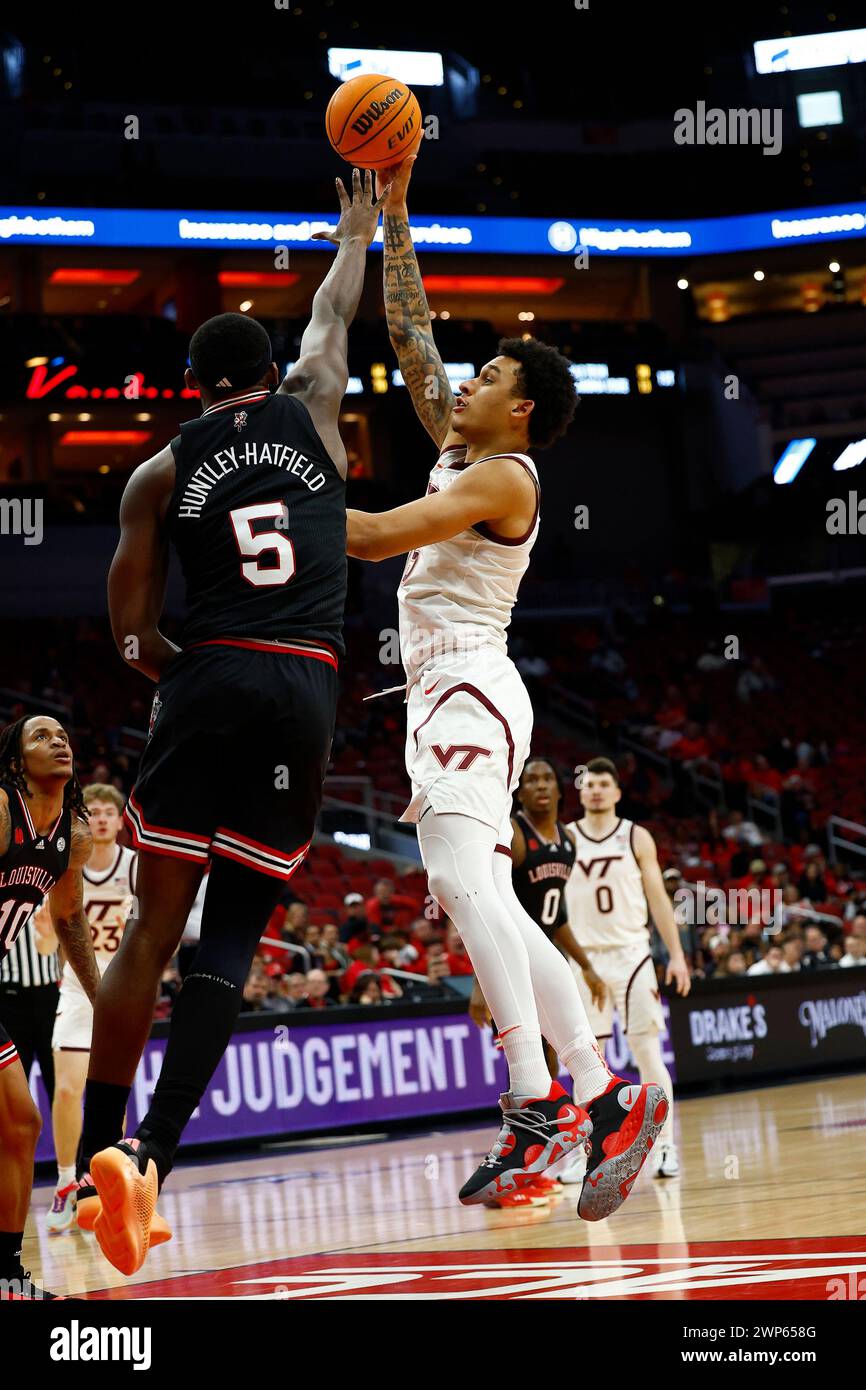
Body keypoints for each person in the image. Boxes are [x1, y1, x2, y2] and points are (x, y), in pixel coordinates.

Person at [74, 170, 389, 1279]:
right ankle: (157, 1153)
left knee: (149, 931)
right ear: (266, 374)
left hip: (207, 676)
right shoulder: (313, 405)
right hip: (303, 686)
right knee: (229, 944)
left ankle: (90, 1159)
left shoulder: (155, 472)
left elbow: (128, 633)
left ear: (195, 385)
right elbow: (332, 314)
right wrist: (356, 231)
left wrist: (181, 670)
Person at [346, 152, 668, 1222]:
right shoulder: (458, 445)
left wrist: (271, 490)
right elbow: (409, 337)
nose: (465, 382)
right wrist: (394, 216)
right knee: (465, 888)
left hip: (468, 686)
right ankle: (600, 1090)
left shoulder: (502, 475)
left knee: (460, 879)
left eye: (487, 378)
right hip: (450, 693)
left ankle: (538, 1102)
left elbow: (379, 535)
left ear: (520, 409)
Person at [468, 756, 607, 1209]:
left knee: (548, 1070)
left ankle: (531, 1172)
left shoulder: (566, 839)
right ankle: (509, 1179)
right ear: (519, 790)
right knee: (527, 1073)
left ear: (560, 788)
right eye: (532, 780)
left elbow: (557, 913)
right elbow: (487, 910)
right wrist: (478, 984)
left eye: (549, 777)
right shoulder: (516, 837)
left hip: (546, 962)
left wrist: (585, 963)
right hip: (510, 966)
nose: (541, 786)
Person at [0, 715, 100, 1300]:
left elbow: (68, 921)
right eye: (40, 736)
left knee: (20, 1121)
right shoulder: (2, 809)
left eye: (64, 733)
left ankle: (8, 1273)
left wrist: (99, 999)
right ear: (16, 762)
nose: (58, 740)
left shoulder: (74, 833)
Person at [560, 758, 691, 1181]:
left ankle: (666, 1147)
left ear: (617, 792)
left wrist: (676, 954)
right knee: (586, 1061)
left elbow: (658, 898)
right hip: (584, 961)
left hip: (632, 955)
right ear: (580, 793)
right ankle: (587, 1155)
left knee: (647, 1052)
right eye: (589, 784)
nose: (596, 790)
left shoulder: (636, 836)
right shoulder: (563, 838)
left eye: (604, 783)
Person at [45, 784, 136, 1234]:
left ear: (121, 821)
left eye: (108, 812)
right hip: (79, 987)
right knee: (67, 1089)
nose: (100, 818)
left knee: (109, 1093)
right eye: (93, 812)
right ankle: (65, 1182)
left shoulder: (136, 868)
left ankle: (106, 1186)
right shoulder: (67, 866)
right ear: (83, 821)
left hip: (121, 985)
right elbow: (48, 937)